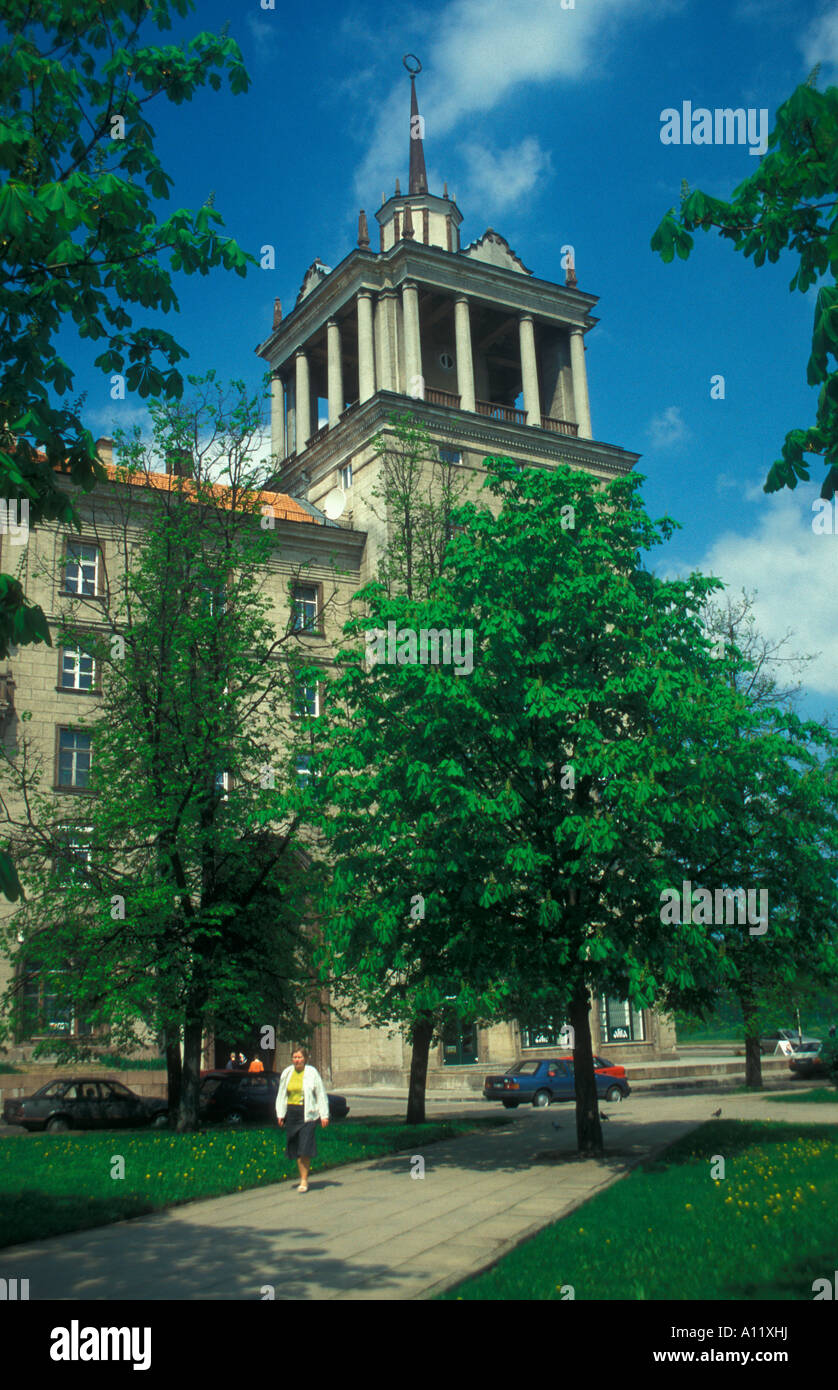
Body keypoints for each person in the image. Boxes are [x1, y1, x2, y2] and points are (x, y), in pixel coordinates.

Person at [275, 1046, 329, 1193]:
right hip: (292, 1113)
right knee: (297, 1148)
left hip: (308, 1114)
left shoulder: (312, 1073)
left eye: (299, 1057)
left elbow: (320, 1094)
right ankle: (302, 1176)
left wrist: (324, 1115)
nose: (297, 1060)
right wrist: (280, 1114)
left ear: (305, 1059)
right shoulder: (287, 1073)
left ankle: (304, 1180)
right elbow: (281, 1095)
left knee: (305, 1147)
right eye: (295, 1057)